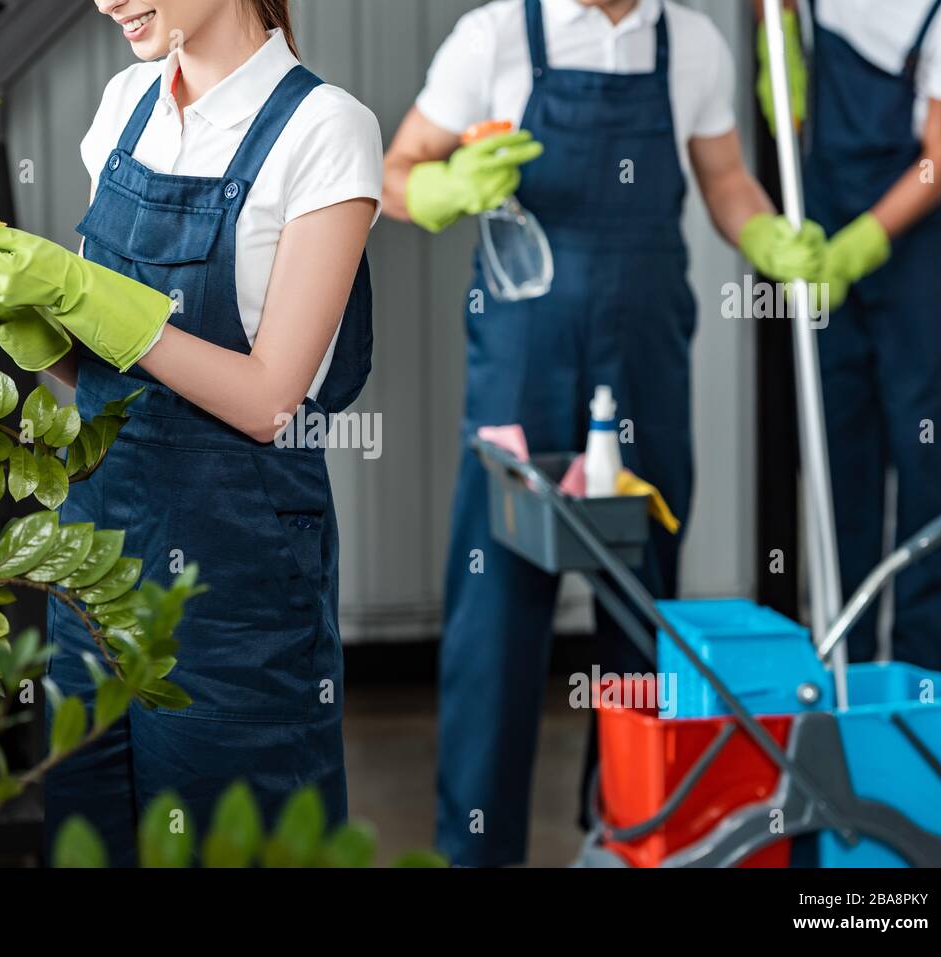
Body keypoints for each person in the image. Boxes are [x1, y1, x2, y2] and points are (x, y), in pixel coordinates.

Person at [0, 0, 383, 864]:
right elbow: (111, 365)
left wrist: (83, 292)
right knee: (91, 843)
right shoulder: (123, 107)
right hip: (94, 570)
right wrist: (25, 310)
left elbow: (268, 398)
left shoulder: (325, 130)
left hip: (237, 597)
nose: (107, 2)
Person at [380, 0, 824, 867]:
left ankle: (629, 836)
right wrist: (439, 189)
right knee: (496, 617)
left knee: (641, 608)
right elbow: (395, 170)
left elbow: (725, 179)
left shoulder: (690, 43)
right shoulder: (496, 35)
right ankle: (476, 852)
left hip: (646, 356)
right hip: (521, 364)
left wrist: (766, 234)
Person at [759, 0, 941, 670]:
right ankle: (842, 671)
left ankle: (915, 695)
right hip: (826, 221)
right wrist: (780, 70)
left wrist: (862, 245)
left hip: (916, 253)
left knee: (926, 466)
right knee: (835, 463)